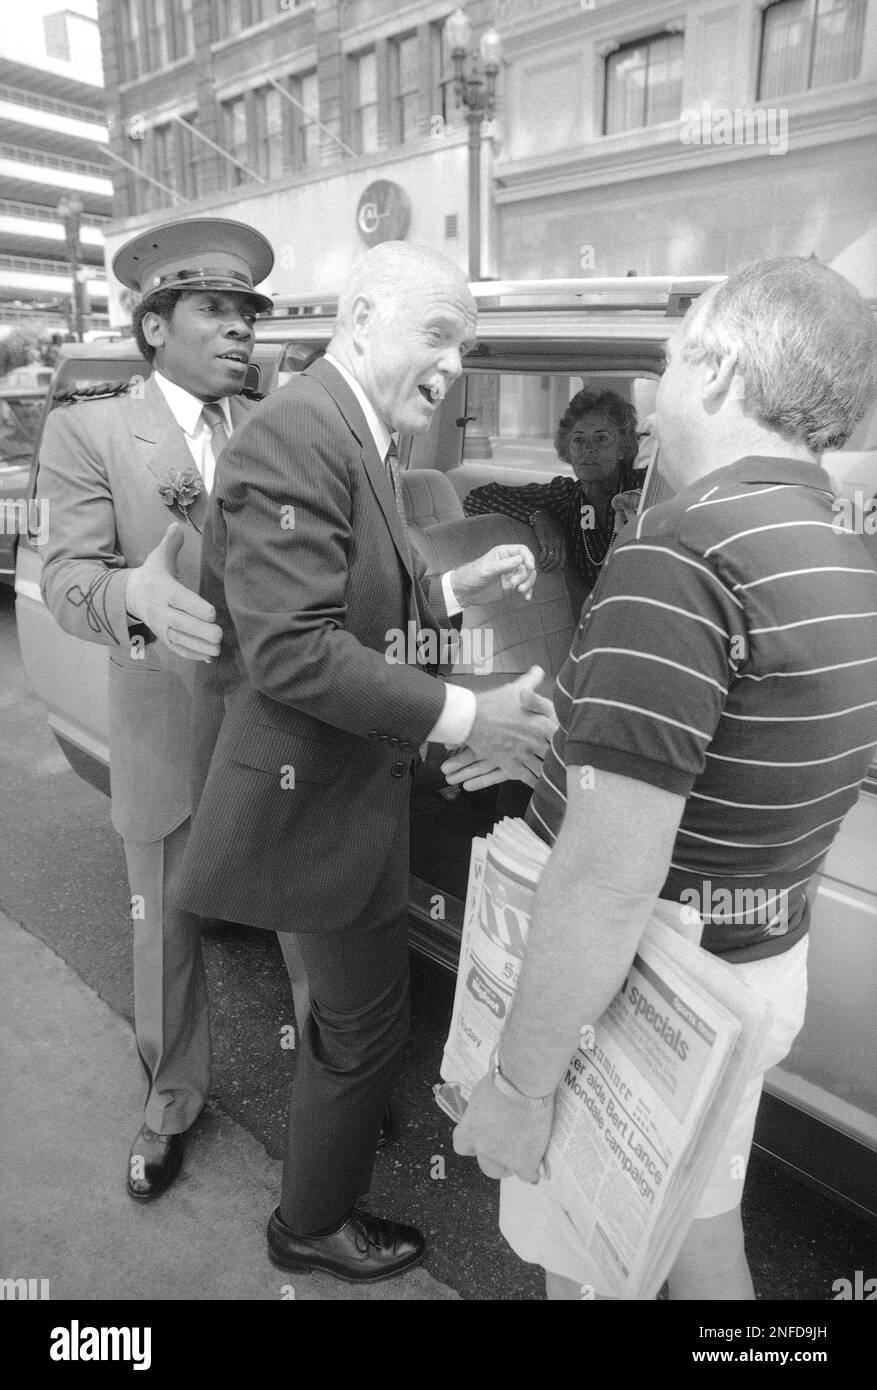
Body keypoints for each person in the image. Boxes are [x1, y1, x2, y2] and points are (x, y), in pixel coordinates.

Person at [447, 256, 877, 1299]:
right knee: (700, 1238)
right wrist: (570, 751)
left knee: (585, 1265)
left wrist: (515, 1082)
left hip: (643, 984)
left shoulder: (680, 554)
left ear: (722, 370)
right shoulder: (844, 548)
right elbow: (742, 753)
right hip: (753, 969)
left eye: (673, 358)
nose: (653, 390)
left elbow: (605, 880)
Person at [175, 241, 557, 1284]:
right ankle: (311, 1224)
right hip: (315, 801)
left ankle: (322, 1182)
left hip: (348, 788)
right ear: (358, 317)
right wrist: (466, 712)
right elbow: (295, 650)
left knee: (353, 1020)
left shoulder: (353, 432)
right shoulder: (300, 435)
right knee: (362, 1026)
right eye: (436, 333)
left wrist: (457, 584)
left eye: (464, 346)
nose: (452, 365)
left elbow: (361, 605)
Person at [38, 218, 278, 1202]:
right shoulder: (91, 427)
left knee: (301, 920)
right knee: (165, 932)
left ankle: (333, 1100)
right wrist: (129, 597)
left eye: (247, 313)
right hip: (167, 730)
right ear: (153, 326)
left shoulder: (270, 426)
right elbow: (65, 579)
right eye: (215, 310)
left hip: (274, 728)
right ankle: (171, 1101)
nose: (240, 332)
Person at [462, 387, 645, 586]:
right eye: (578, 439)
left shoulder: (642, 486)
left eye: (601, 438)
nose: (588, 448)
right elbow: (477, 498)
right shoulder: (565, 496)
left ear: (623, 446)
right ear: (568, 448)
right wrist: (538, 517)